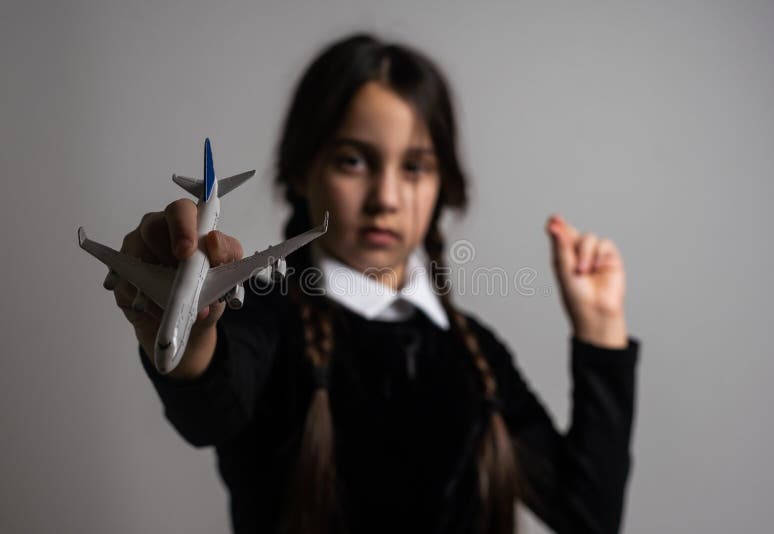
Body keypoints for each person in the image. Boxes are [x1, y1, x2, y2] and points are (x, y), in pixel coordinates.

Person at [113, 32, 640, 534]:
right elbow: (207, 404)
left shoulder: (477, 355)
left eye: (415, 166)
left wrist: (600, 331)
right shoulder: (262, 314)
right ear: (302, 170)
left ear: (442, 184)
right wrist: (182, 319)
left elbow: (587, 517)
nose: (386, 196)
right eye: (354, 160)